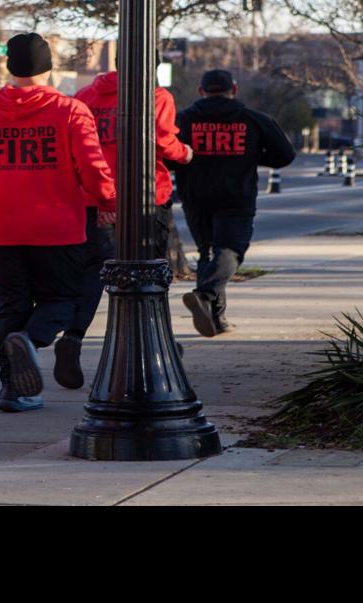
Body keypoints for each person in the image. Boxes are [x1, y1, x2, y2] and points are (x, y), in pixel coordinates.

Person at [0, 33, 113, 412]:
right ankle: (31, 340)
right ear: (49, 68)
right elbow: (92, 168)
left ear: (9, 67)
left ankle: (14, 389)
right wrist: (109, 200)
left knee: (9, 305)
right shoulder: (69, 110)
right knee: (63, 301)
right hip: (57, 226)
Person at [66, 67, 192, 388]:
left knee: (96, 270)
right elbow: (163, 141)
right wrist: (186, 153)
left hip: (93, 196)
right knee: (150, 270)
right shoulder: (157, 97)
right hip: (145, 195)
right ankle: (157, 340)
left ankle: (73, 337)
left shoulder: (85, 97)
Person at [174, 69, 295, 337]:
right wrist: (250, 157)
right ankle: (205, 296)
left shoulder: (183, 120)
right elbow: (285, 154)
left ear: (201, 91)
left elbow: (169, 153)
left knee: (208, 253)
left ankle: (216, 318)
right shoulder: (253, 120)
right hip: (235, 196)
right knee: (231, 250)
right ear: (234, 90)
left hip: (195, 196)